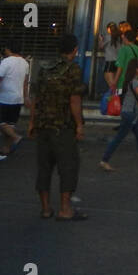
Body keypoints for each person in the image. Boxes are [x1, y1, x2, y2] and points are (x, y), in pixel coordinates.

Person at [28, 34, 87, 221]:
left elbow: (35, 99)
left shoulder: (44, 69)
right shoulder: (73, 69)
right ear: (75, 50)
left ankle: (46, 209)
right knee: (68, 166)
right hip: (63, 127)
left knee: (44, 167)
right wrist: (79, 125)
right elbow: (75, 99)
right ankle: (65, 209)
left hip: (43, 125)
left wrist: (32, 122)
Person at [100, 58, 138, 171]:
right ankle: (104, 160)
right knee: (119, 138)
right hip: (130, 114)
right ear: (137, 69)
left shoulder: (130, 80)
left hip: (131, 114)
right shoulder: (134, 81)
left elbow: (134, 92)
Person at [0, 37, 29, 156]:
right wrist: (26, 96)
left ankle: (15, 137)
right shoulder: (25, 63)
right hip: (18, 98)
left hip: (4, 97)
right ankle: (6, 148)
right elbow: (25, 82)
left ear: (8, 49)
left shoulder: (6, 62)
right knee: (10, 124)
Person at [97, 22, 121, 92]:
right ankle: (118, 98)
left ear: (108, 29)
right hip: (118, 63)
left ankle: (115, 99)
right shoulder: (120, 38)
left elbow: (100, 47)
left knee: (111, 85)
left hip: (110, 62)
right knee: (116, 83)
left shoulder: (108, 37)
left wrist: (100, 39)